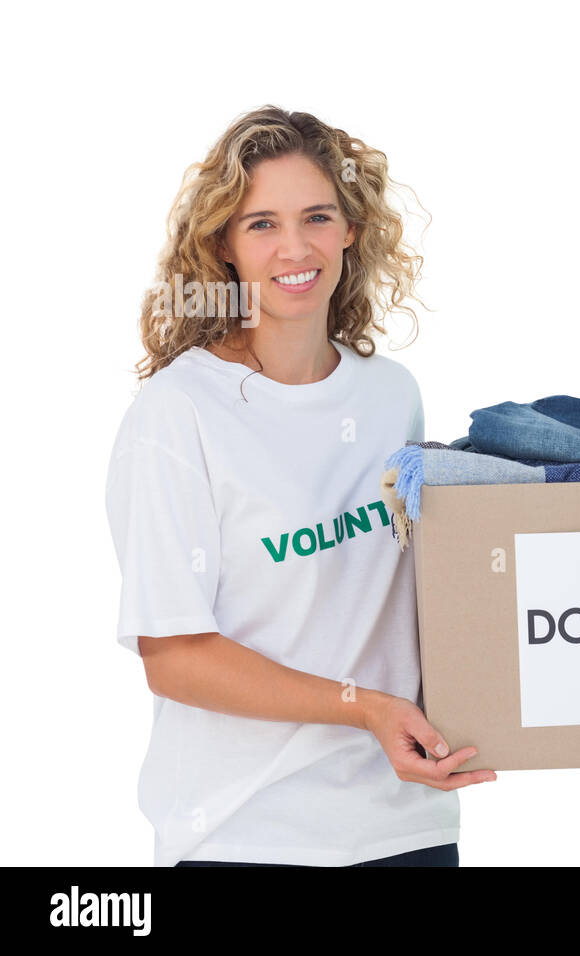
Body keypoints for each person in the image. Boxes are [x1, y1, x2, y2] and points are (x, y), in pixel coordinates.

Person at [105, 106, 495, 867]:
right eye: (261, 224)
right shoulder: (178, 416)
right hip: (250, 834)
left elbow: (426, 593)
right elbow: (174, 654)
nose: (295, 247)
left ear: (351, 228)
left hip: (406, 824)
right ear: (222, 243)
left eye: (317, 216)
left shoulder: (391, 396)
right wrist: (366, 709)